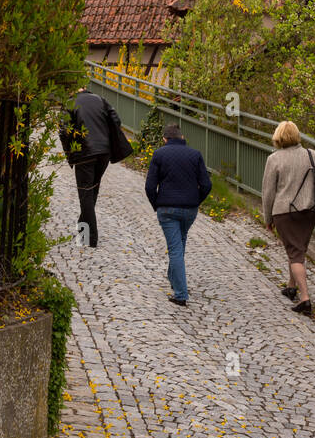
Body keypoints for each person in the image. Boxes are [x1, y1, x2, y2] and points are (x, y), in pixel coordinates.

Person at [261, 119, 315, 316]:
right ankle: (291, 287)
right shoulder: (313, 155)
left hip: (285, 212)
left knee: (295, 253)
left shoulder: (274, 159)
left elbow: (268, 192)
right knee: (298, 249)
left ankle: (305, 298)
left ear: (278, 137)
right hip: (310, 211)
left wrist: (268, 218)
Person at [144, 121, 212, 306]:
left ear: (164, 139)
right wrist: (195, 201)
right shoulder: (195, 154)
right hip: (189, 210)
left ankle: (180, 294)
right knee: (179, 244)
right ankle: (174, 279)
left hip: (167, 209)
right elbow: (206, 185)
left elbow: (150, 186)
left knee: (175, 249)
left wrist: (156, 204)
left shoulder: (159, 154)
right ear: (182, 138)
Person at [61, 89, 132, 249]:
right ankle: (82, 226)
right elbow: (117, 121)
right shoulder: (100, 100)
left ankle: (90, 238)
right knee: (92, 191)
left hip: (84, 152)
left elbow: (63, 131)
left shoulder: (70, 103)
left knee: (85, 193)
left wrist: (71, 153)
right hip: (104, 153)